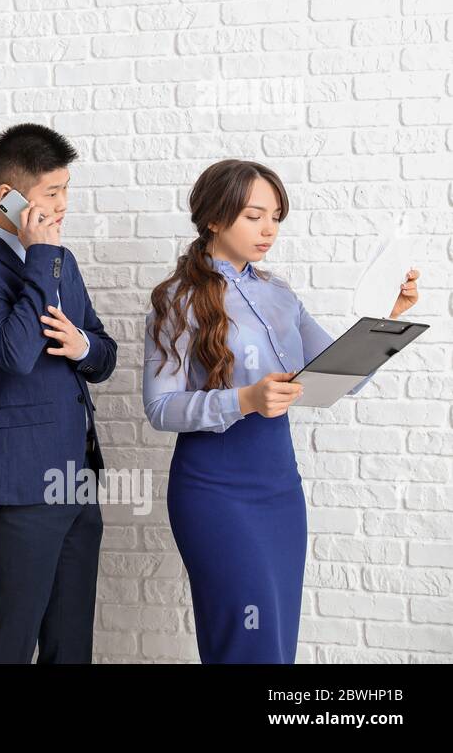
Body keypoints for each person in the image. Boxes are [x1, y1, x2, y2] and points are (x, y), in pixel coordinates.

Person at [143, 159, 421, 663]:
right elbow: (160, 408)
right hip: (215, 492)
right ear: (214, 217)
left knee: (274, 645)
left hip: (280, 490)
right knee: (243, 647)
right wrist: (244, 400)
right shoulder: (177, 300)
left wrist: (387, 317)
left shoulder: (279, 295)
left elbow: (344, 376)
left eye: (276, 216)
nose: (268, 229)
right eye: (254, 215)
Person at [0, 123, 117, 663]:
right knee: (11, 646)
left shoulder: (62, 259)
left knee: (71, 648)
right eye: (51, 193)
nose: (64, 205)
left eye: (67, 189)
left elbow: (105, 356)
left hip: (76, 479)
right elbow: (16, 354)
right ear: (9, 196)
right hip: (20, 486)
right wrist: (42, 255)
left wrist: (82, 344)